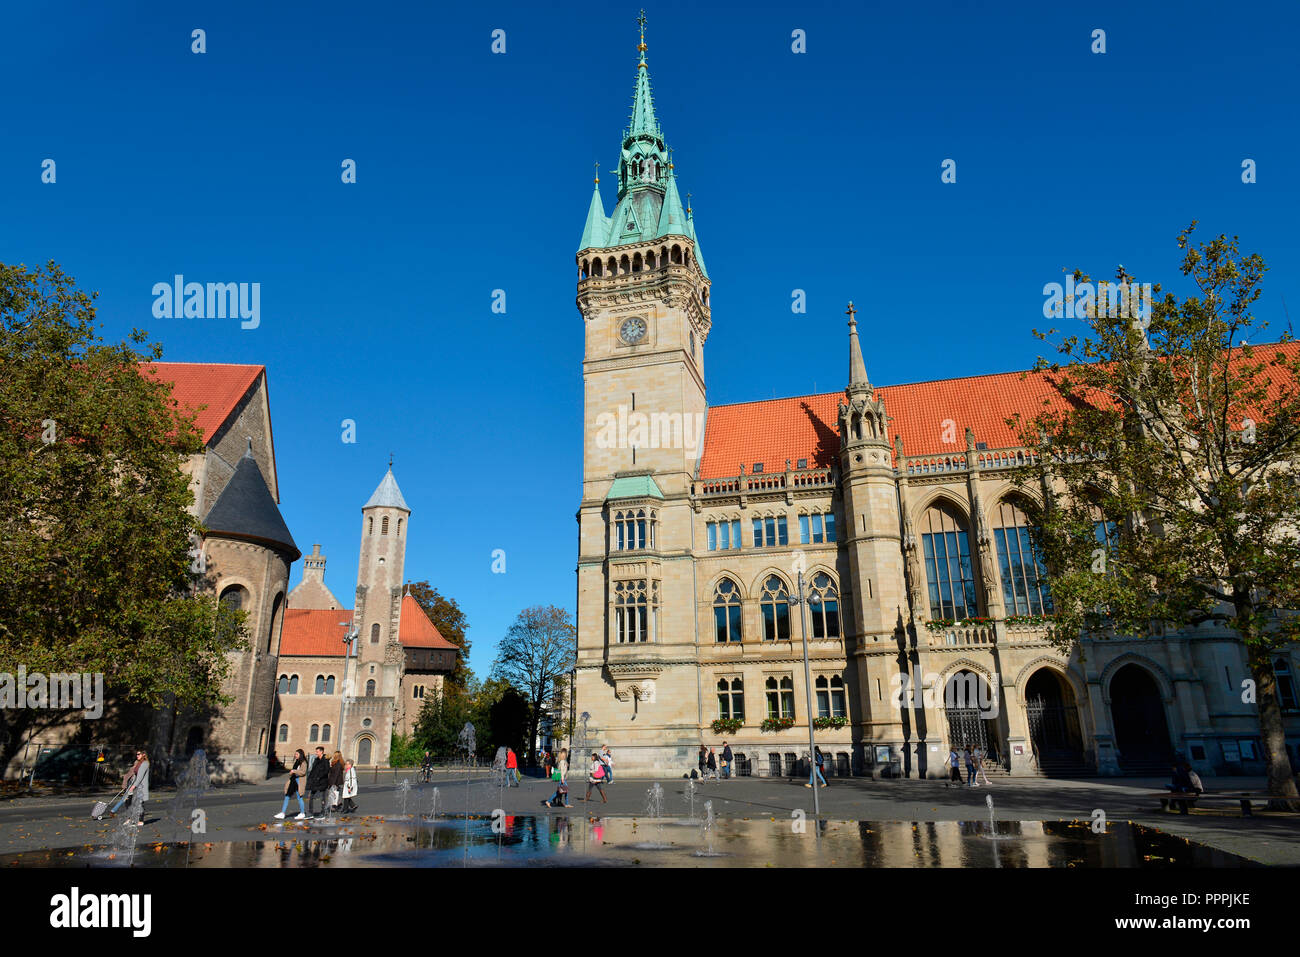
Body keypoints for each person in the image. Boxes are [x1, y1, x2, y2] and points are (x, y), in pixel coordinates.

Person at [104, 749, 150, 824]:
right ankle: (129, 819)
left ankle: (140, 821)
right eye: (137, 754)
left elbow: (140, 777)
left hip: (140, 786)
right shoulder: (138, 763)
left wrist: (133, 786)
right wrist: (130, 785)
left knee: (139, 803)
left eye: (139, 754)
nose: (137, 756)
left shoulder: (145, 764)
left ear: (144, 755)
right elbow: (134, 775)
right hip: (133, 785)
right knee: (127, 801)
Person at [274, 748, 308, 820]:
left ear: (300, 755)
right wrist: (292, 772)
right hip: (293, 781)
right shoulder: (297, 761)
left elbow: (303, 772)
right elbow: (294, 771)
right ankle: (282, 813)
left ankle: (302, 813)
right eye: (295, 754)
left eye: (297, 754)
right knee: (287, 796)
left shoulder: (303, 762)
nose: (295, 755)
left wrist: (294, 771)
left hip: (299, 782)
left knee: (299, 798)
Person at [306, 746, 330, 816]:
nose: (316, 753)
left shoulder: (325, 760)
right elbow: (313, 770)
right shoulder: (316, 760)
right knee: (311, 796)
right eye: (316, 751)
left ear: (321, 751)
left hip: (322, 781)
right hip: (315, 781)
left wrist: (319, 776)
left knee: (322, 797)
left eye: (317, 751)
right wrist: (310, 779)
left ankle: (323, 811)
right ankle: (310, 811)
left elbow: (327, 770)